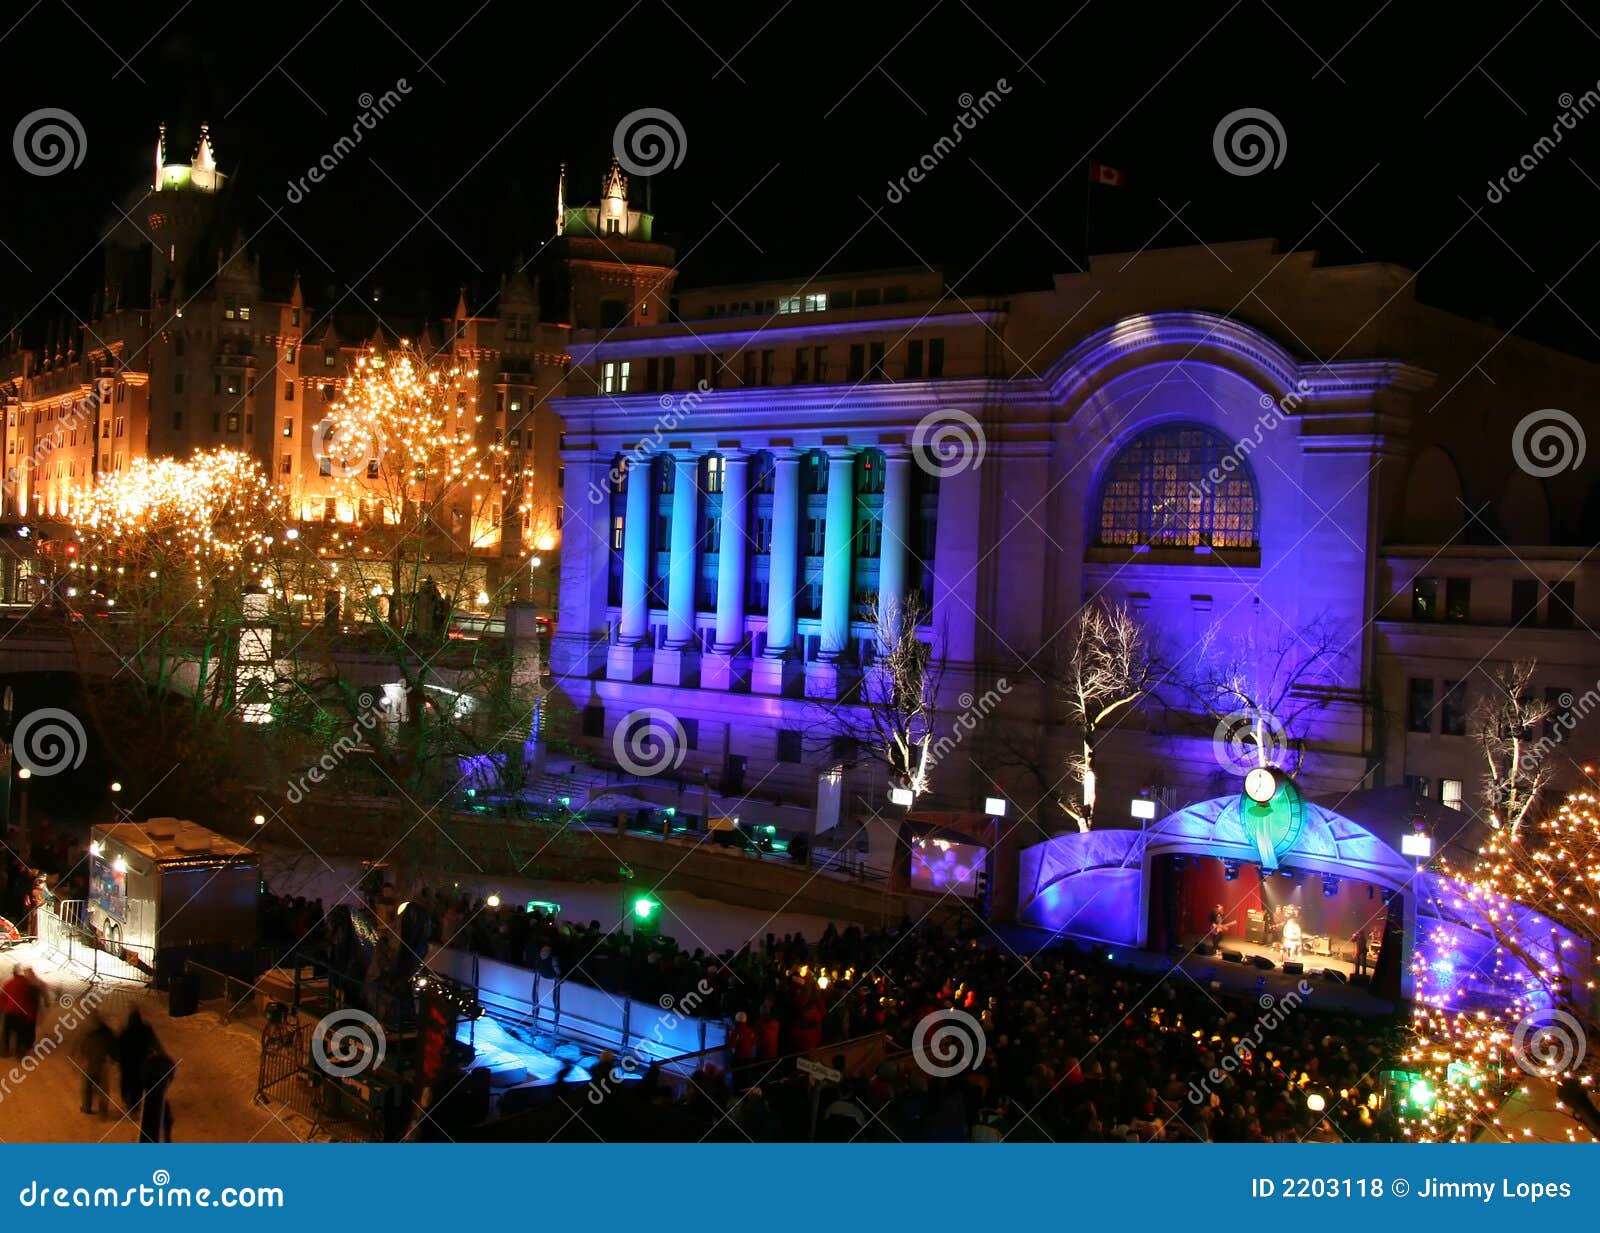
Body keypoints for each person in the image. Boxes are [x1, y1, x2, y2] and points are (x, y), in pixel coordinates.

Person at [79, 1014, 118, 1116]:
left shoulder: (89, 1033)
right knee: (102, 1087)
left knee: (88, 1086)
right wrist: (114, 1058)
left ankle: (87, 1106)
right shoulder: (108, 1033)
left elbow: (83, 1047)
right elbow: (113, 1046)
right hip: (101, 1063)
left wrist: (83, 1056)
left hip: (93, 1062)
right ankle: (102, 1109)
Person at [117, 1009, 156, 1112]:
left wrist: (117, 1058)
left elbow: (119, 1046)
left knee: (127, 1082)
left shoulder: (125, 1032)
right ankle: (135, 1105)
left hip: (127, 1063)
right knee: (137, 1084)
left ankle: (127, 1100)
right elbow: (154, 1042)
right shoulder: (145, 1030)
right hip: (140, 1062)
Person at [0, 966, 39, 1056]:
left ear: (13, 974)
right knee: (20, 1033)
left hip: (9, 1012)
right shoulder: (27, 984)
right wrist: (31, 1014)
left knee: (6, 1032)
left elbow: (2, 997)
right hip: (21, 1013)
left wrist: (1, 1009)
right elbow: (31, 1000)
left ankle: (4, 1051)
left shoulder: (8, 983)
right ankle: (19, 1052)